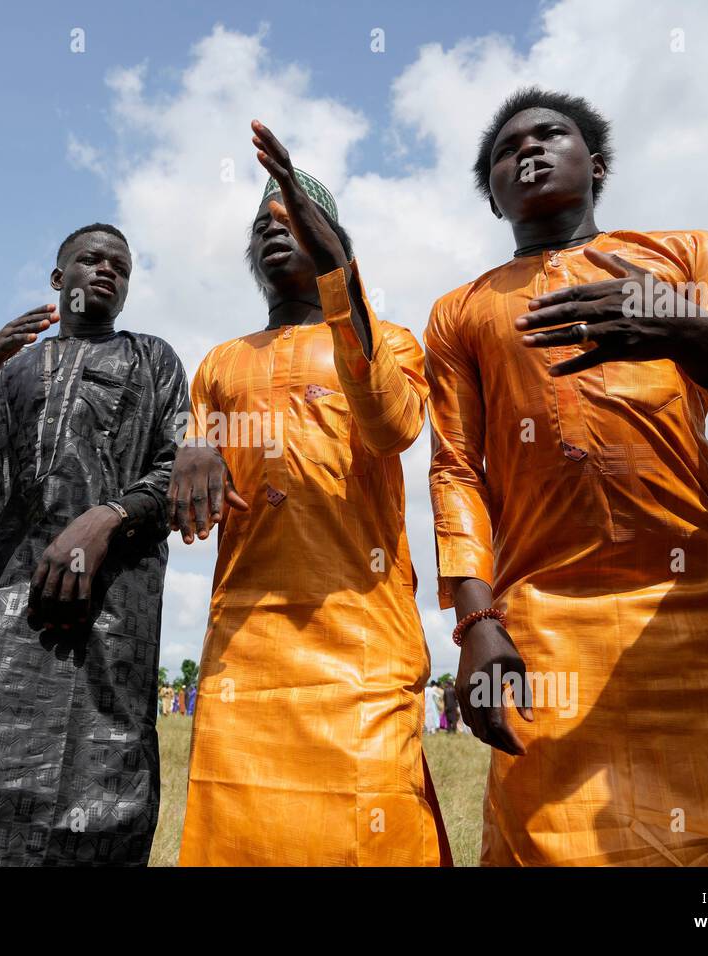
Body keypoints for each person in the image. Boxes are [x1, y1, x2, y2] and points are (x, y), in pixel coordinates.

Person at [424, 88, 708, 865]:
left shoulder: (689, 257)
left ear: (599, 164)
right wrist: (476, 624)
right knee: (559, 842)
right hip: (545, 624)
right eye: (503, 151)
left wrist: (699, 337)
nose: (528, 150)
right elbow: (456, 472)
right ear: (492, 195)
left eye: (552, 134)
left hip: (703, 611)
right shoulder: (460, 312)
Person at [172, 122, 448, 867]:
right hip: (246, 641)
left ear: (333, 241)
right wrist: (190, 449)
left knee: (372, 826)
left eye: (295, 219)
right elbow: (188, 464)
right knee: (241, 838)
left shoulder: (391, 339)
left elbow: (392, 428)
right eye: (264, 224)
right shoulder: (219, 362)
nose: (276, 230)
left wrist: (340, 280)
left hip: (362, 634)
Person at [0, 223, 187, 868]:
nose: (105, 271)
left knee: (102, 783)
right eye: (89, 260)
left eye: (120, 267)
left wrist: (107, 517)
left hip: (112, 616)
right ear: (58, 280)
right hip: (9, 609)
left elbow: (176, 468)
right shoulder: (14, 367)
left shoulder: (154, 359)